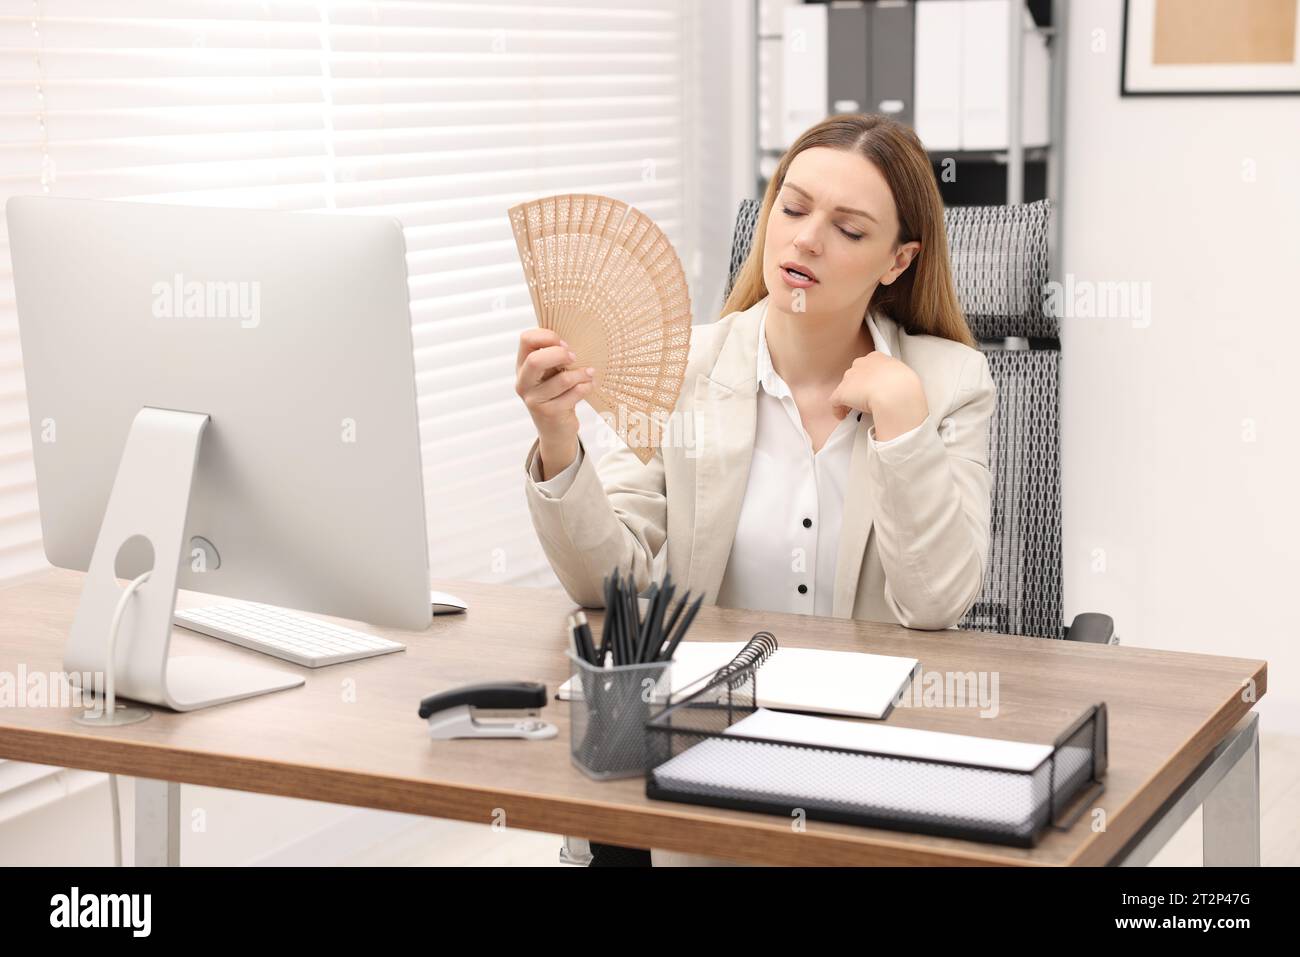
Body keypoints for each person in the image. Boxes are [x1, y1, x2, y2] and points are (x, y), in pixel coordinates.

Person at [515, 113, 997, 866]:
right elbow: (608, 581)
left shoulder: (950, 383)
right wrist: (557, 439)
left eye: (848, 228)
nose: (805, 240)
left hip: (871, 764)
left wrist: (902, 420)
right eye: (793, 208)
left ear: (898, 260)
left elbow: (936, 604)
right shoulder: (690, 367)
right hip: (711, 752)